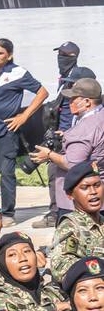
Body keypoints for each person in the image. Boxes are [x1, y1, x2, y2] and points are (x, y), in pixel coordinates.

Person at [0, 38, 48, 220]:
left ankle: (7, 213)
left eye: (0, 53)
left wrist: (24, 116)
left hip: (6, 131)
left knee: (6, 173)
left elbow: (43, 92)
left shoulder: (18, 72)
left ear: (9, 55)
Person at [34, 77, 104, 222]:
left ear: (87, 102)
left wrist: (48, 154)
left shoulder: (83, 130)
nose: (69, 102)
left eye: (73, 99)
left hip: (78, 202)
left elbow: (72, 164)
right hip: (98, 195)